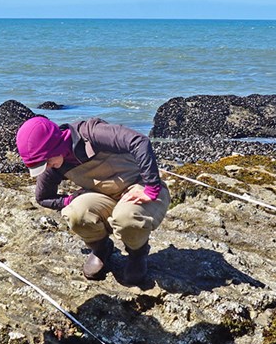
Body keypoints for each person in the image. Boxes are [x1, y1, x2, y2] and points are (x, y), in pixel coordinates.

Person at [15, 115, 171, 284]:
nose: (47, 167)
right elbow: (42, 197)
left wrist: (152, 187)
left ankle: (137, 254)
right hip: (104, 198)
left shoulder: (92, 134)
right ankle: (101, 248)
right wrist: (69, 200)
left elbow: (139, 141)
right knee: (74, 212)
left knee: (126, 217)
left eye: (46, 162)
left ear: (54, 146)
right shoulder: (53, 163)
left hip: (138, 187)